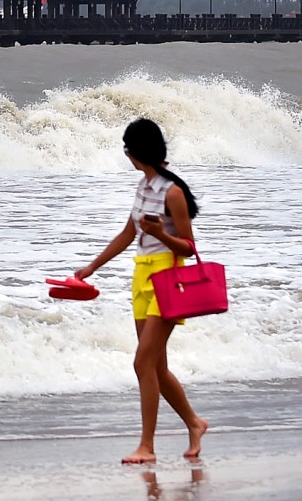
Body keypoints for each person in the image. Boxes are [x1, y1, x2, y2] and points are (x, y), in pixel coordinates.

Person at [75, 118, 209, 464]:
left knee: (142, 363)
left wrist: (161, 234)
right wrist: (91, 267)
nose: (126, 156)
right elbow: (126, 235)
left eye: (127, 149)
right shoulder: (143, 186)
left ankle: (147, 446)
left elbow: (188, 247)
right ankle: (194, 423)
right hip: (142, 278)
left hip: (169, 279)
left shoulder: (172, 192)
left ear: (138, 152)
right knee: (156, 368)